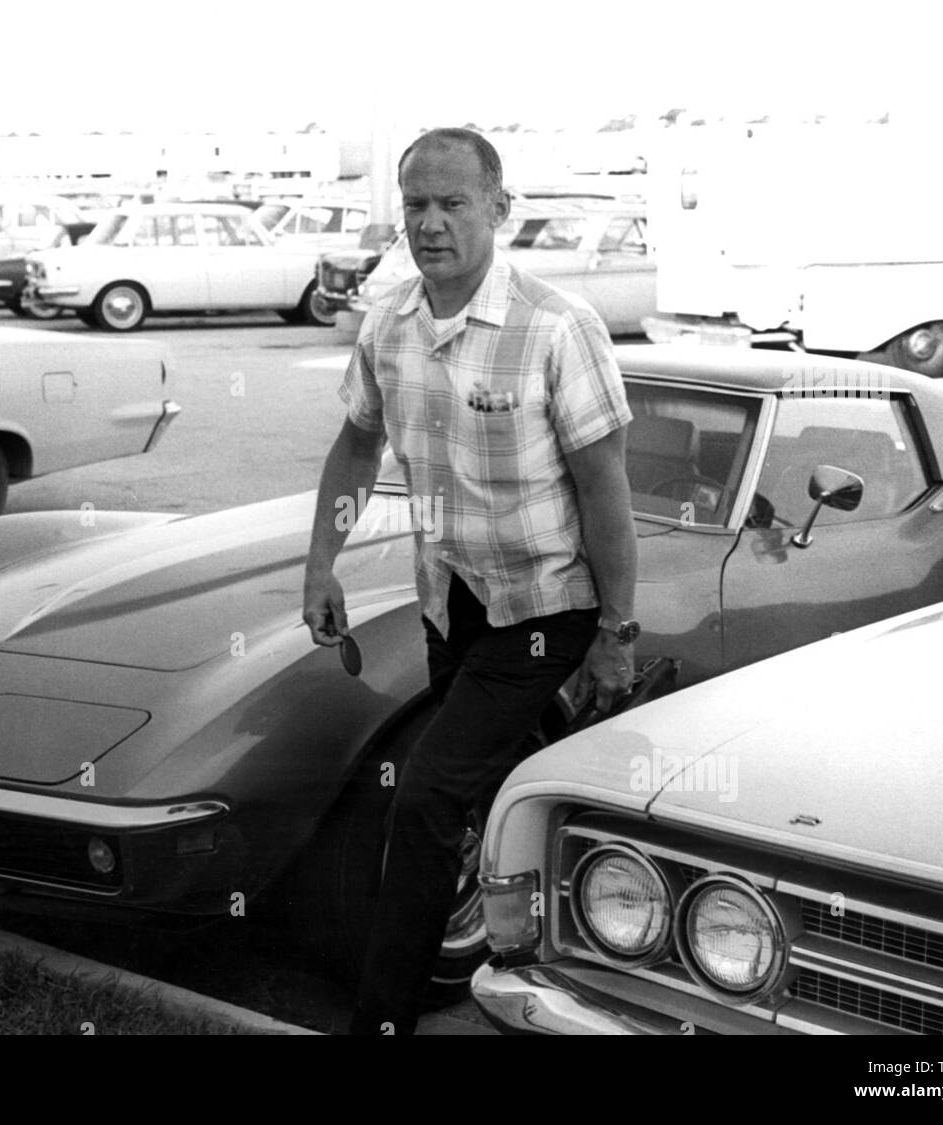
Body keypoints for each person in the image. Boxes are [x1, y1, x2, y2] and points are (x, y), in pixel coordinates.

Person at [302, 127, 639, 1035]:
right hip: (449, 600)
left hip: (545, 607)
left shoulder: (557, 327)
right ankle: (530, 949)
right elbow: (356, 445)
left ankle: (383, 1016)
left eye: (453, 203)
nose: (432, 223)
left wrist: (616, 630)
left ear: (499, 208)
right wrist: (320, 563)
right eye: (416, 204)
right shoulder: (389, 323)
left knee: (424, 795)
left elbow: (606, 489)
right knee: (491, 788)